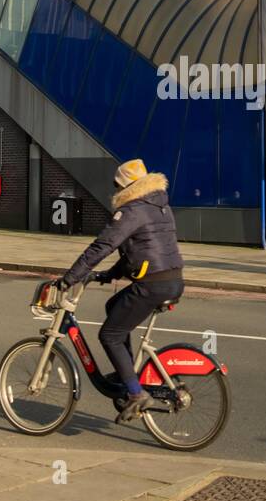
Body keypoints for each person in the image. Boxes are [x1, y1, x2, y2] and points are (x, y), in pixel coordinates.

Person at [59, 159, 184, 422]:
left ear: (125, 186)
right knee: (113, 307)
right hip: (172, 279)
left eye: (116, 186)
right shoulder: (159, 205)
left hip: (152, 284)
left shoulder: (132, 210)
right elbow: (141, 248)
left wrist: (70, 278)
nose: (115, 191)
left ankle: (137, 394)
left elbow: (102, 246)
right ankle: (127, 373)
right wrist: (110, 275)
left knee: (109, 335)